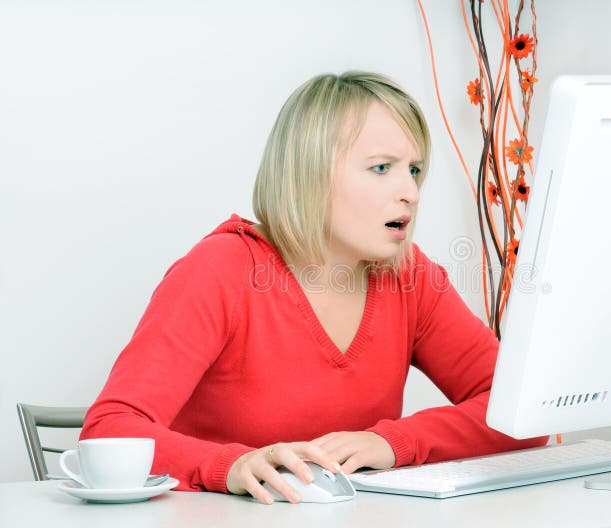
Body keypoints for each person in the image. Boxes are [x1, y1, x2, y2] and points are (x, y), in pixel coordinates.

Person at [80, 71, 547, 505]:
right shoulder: (221, 269)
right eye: (382, 168)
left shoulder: (409, 277)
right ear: (310, 174)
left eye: (415, 170)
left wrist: (393, 442)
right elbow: (110, 432)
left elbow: (522, 415)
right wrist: (232, 465)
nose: (411, 192)